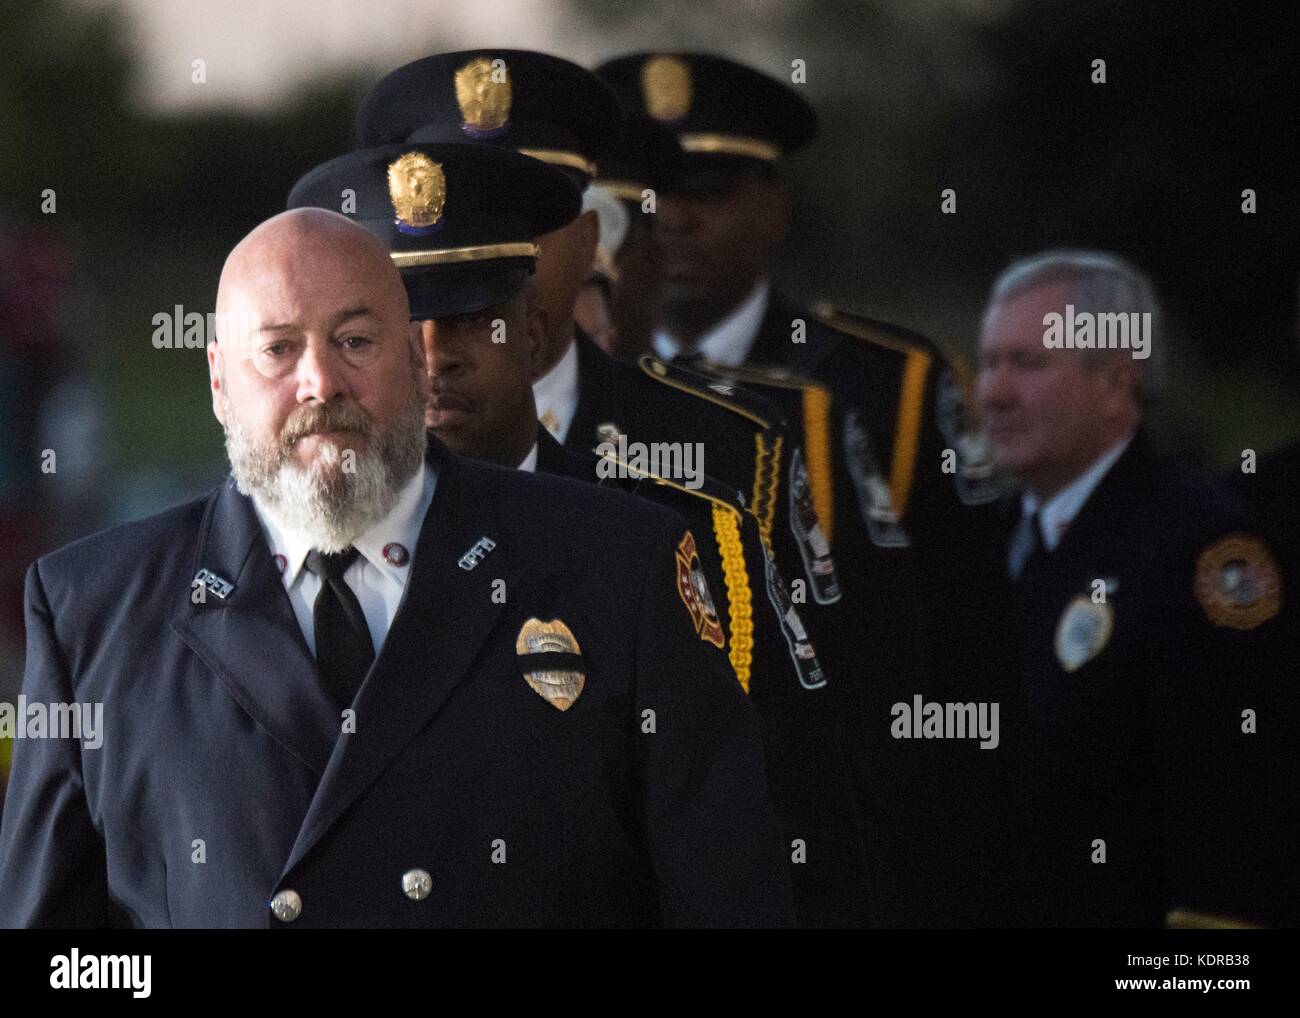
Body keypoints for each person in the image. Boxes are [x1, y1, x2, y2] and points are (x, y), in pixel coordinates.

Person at [0, 208, 794, 928]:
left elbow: (726, 903)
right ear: (217, 382)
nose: (321, 384)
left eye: (355, 341)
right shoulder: (91, 615)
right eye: (278, 349)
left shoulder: (616, 568)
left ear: (416, 362)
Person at [288, 140, 872, 927]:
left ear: (534, 335)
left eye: (468, 321)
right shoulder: (300, 561)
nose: (436, 357)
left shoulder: (682, 543)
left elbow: (791, 830)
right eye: (399, 328)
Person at [977, 248, 1298, 928]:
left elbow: (1234, 830)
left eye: (1029, 364)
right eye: (989, 362)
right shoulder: (979, 544)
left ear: (1115, 381)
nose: (994, 394)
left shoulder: (1200, 548)